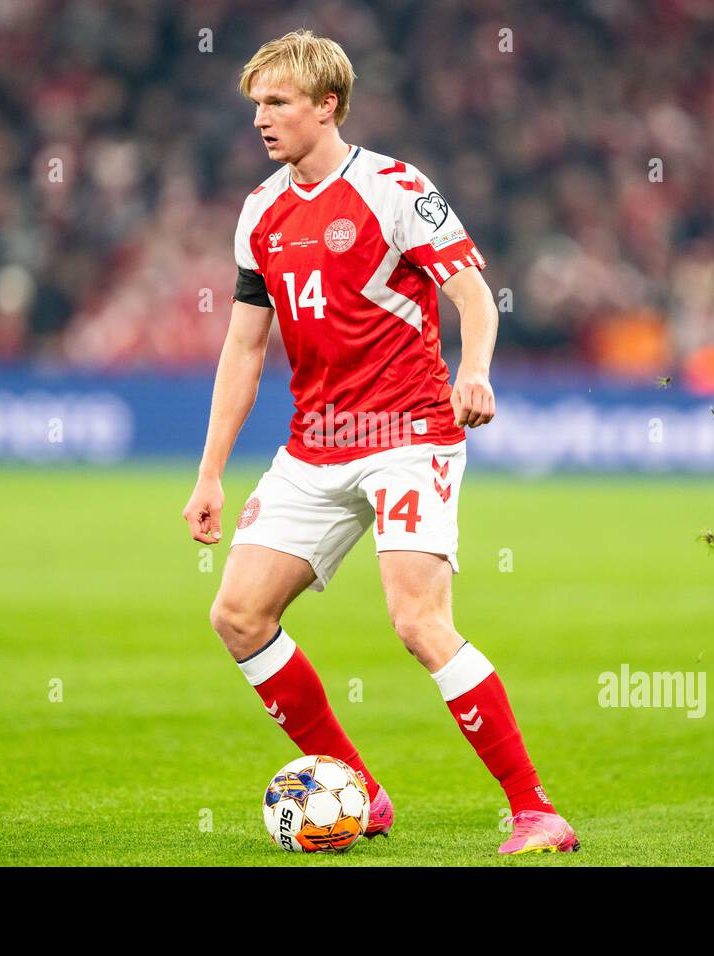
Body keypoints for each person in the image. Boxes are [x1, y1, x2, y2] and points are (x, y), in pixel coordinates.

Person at [181, 29, 578, 854]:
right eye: (257, 103)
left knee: (417, 621)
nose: (262, 117)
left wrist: (475, 372)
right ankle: (357, 790)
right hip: (315, 441)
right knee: (238, 616)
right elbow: (245, 350)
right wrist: (210, 472)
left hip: (407, 432)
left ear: (327, 107)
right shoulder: (259, 213)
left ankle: (535, 809)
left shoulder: (396, 189)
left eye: (280, 102)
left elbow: (475, 297)